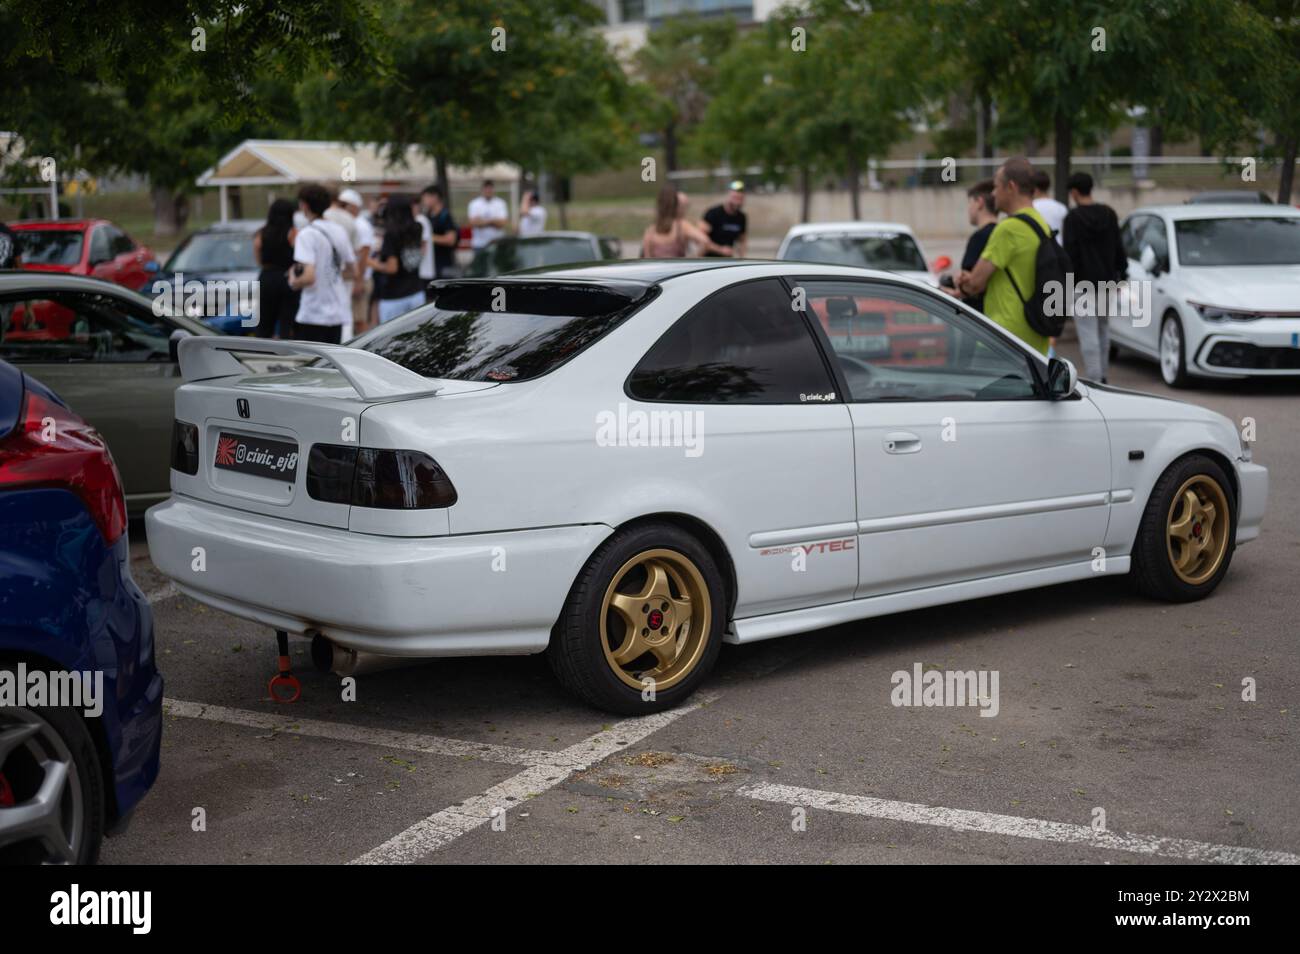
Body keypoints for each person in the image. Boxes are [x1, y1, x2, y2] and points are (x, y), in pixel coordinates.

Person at [958, 157, 1052, 355]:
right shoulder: (1041, 224)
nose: (993, 193)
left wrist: (963, 282)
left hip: (1004, 339)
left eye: (996, 186)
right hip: (1036, 337)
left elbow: (975, 284)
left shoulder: (1008, 229)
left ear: (1011, 187)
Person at [1063, 171, 1127, 383]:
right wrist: (1121, 273)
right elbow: (1119, 247)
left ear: (1074, 192)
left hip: (1082, 284)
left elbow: (1070, 253)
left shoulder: (1072, 219)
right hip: (1107, 282)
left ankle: (1094, 378)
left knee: (1087, 333)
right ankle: (1104, 375)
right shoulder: (1109, 214)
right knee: (1103, 329)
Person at [288, 183, 356, 343]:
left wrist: (293, 280)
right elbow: (353, 270)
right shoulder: (339, 230)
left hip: (313, 313)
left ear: (304, 205)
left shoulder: (306, 234)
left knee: (310, 363)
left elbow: (309, 277)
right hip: (337, 312)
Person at [371, 196, 427, 323]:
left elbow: (392, 268)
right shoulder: (418, 227)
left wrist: (371, 263)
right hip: (416, 291)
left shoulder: (391, 233)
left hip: (394, 296)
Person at [944, 179, 998, 313]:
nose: (968, 209)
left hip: (979, 317)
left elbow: (972, 284)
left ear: (979, 202)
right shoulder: (1001, 233)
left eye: (970, 203)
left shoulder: (979, 237)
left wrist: (956, 285)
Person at [252, 199, 299, 339]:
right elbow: (299, 257)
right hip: (287, 277)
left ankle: (262, 350)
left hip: (267, 276)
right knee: (288, 320)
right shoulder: (293, 233)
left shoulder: (260, 234)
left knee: (265, 319)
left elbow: (258, 260)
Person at [641, 185, 724, 258]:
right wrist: (693, 259)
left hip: (658, 274)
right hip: (678, 272)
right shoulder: (682, 225)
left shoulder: (650, 230)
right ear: (676, 205)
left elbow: (646, 257)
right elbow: (705, 242)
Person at [323, 190, 360, 340]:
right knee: (345, 311)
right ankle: (345, 343)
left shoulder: (323, 216)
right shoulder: (350, 219)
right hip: (346, 272)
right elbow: (355, 251)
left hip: (325, 273)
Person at [337, 188, 373, 336]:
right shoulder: (348, 223)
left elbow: (364, 256)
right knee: (349, 320)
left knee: (359, 320)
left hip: (359, 279)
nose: (342, 208)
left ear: (354, 206)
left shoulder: (361, 225)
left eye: (344, 205)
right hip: (349, 279)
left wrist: (359, 281)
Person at [700, 180, 747, 257]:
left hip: (727, 260)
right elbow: (700, 238)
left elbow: (742, 240)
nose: (738, 202)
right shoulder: (713, 213)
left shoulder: (741, 217)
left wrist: (742, 257)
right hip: (709, 259)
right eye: (735, 198)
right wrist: (720, 249)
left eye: (741, 199)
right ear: (729, 196)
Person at [422, 185, 459, 281]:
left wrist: (429, 238)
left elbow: (451, 240)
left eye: (426, 197)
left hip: (444, 264)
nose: (424, 201)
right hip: (431, 264)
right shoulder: (427, 215)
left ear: (435, 197)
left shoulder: (445, 216)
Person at [467, 179, 508, 250]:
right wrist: (493, 221)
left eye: (490, 189)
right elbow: (473, 222)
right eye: (486, 189)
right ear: (482, 190)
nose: (488, 191)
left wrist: (482, 221)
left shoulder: (500, 203)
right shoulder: (474, 204)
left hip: (497, 243)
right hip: (479, 244)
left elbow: (502, 223)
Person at [1031, 170, 1068, 244]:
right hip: (1058, 248)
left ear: (1034, 187)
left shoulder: (1030, 207)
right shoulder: (1061, 207)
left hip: (1039, 249)